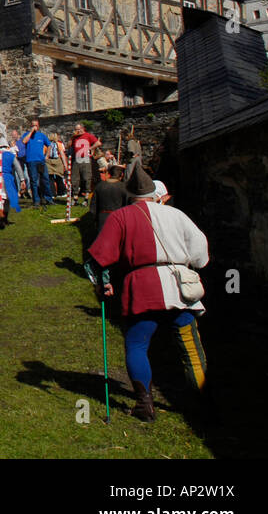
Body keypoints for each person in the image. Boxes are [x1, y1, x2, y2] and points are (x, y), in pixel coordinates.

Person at [86, 170, 211, 423]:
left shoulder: (121, 217)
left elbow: (98, 258)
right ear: (155, 195)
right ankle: (203, 404)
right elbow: (201, 254)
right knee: (191, 349)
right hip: (179, 287)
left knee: (137, 345)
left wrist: (102, 284)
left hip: (142, 288)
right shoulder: (177, 214)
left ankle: (145, 404)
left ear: (129, 194)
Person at [87, 163, 129, 257]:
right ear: (121, 175)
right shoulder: (124, 188)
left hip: (102, 219)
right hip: (118, 220)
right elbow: (127, 207)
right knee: (116, 244)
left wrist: (94, 220)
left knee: (101, 244)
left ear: (109, 173)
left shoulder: (100, 186)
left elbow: (93, 206)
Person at [21, 119, 52, 210]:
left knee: (45, 179)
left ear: (38, 126)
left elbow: (49, 145)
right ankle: (36, 200)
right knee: (34, 181)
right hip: (31, 161)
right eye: (33, 125)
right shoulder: (27, 135)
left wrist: (47, 155)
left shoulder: (42, 136)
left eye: (36, 125)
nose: (34, 127)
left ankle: (48, 198)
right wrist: (31, 132)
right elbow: (24, 142)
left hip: (41, 160)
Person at [0, 140, 21, 229]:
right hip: (8, 177)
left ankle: (2, 218)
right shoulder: (11, 154)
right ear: (7, 146)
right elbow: (18, 167)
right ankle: (5, 218)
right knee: (7, 198)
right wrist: (22, 180)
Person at [71, 123, 99, 200]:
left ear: (82, 128)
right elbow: (69, 145)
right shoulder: (75, 138)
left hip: (85, 158)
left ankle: (87, 194)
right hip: (77, 158)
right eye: (76, 129)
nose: (77, 131)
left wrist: (90, 148)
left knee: (86, 177)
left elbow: (98, 143)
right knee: (75, 177)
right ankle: (75, 195)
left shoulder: (88, 135)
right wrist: (72, 137)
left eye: (78, 129)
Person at [46, 131, 67, 197]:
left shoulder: (46, 144)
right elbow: (62, 154)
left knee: (51, 178)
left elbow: (44, 153)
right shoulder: (59, 144)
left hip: (49, 160)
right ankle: (61, 192)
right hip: (56, 160)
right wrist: (65, 164)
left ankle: (53, 193)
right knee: (59, 177)